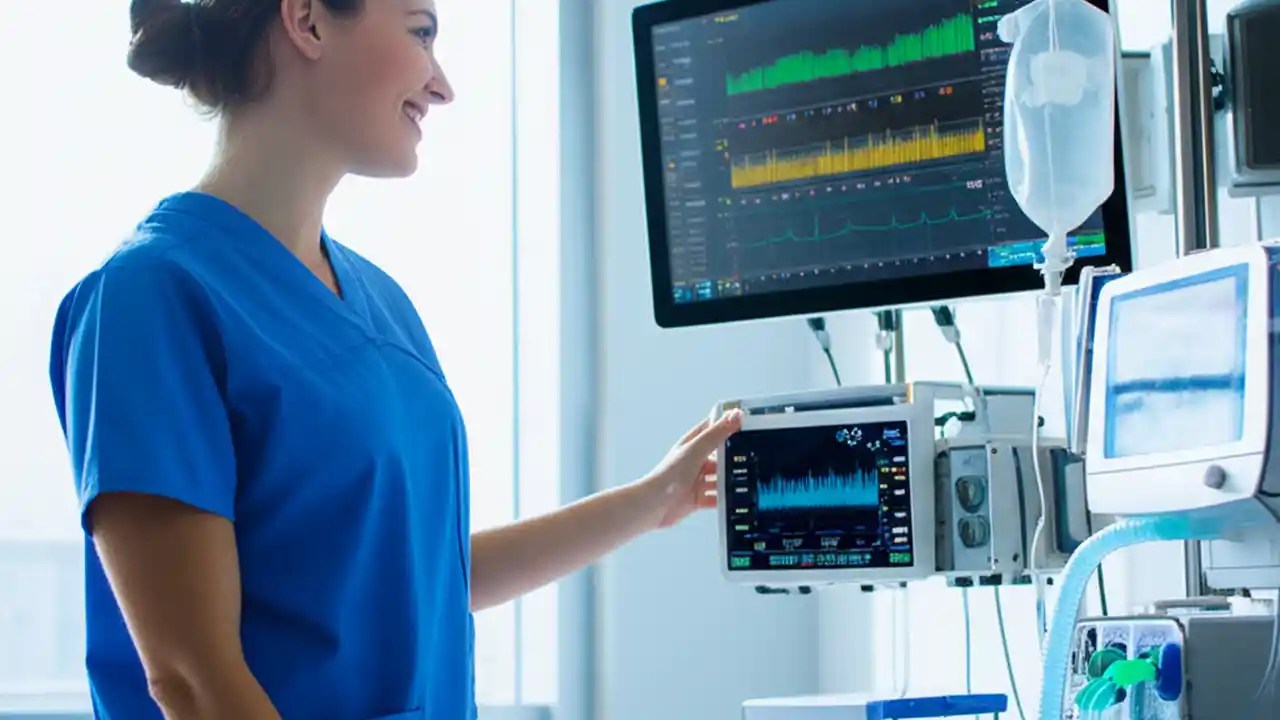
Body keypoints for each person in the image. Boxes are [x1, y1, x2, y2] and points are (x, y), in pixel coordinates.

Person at [46, 1, 743, 718]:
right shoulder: (149, 298)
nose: (442, 85)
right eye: (421, 33)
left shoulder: (383, 303)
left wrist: (654, 499)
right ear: (308, 20)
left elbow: (423, 576)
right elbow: (194, 682)